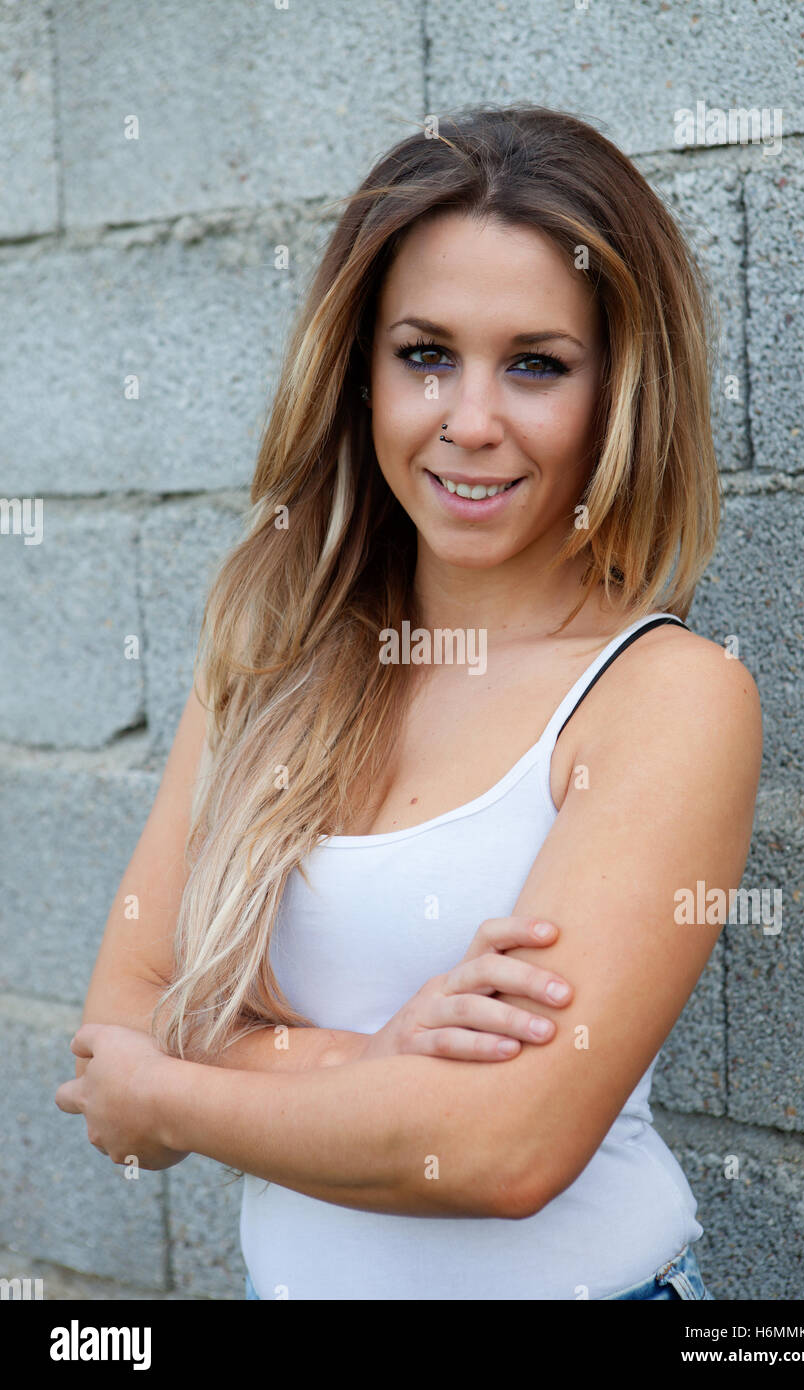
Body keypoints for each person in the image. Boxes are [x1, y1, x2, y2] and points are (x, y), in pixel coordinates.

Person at [56, 105, 761, 1301]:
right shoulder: (269, 660)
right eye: (425, 353)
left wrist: (178, 1094)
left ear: (617, 392)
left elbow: (501, 1149)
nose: (470, 421)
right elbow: (122, 1014)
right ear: (359, 369)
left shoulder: (663, 697)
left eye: (535, 363)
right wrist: (369, 1059)